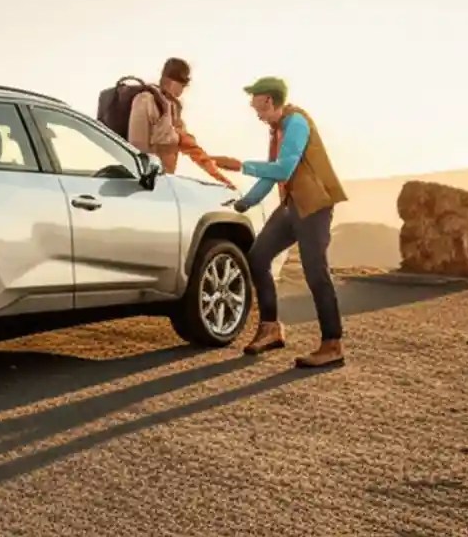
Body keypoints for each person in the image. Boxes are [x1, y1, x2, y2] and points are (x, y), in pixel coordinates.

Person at [210, 76, 348, 368]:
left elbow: (284, 168)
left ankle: (332, 343)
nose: (254, 110)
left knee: (315, 272)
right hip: (291, 207)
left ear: (269, 100)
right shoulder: (278, 129)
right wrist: (245, 202)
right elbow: (273, 174)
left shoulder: (296, 123)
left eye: (256, 103)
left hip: (313, 207)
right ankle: (271, 328)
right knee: (258, 258)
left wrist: (239, 165)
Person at [126, 57, 234, 187]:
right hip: (147, 179)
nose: (182, 90)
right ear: (170, 81)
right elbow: (137, 144)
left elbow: (190, 147)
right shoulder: (146, 100)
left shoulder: (172, 106)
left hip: (164, 178)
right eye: (182, 85)